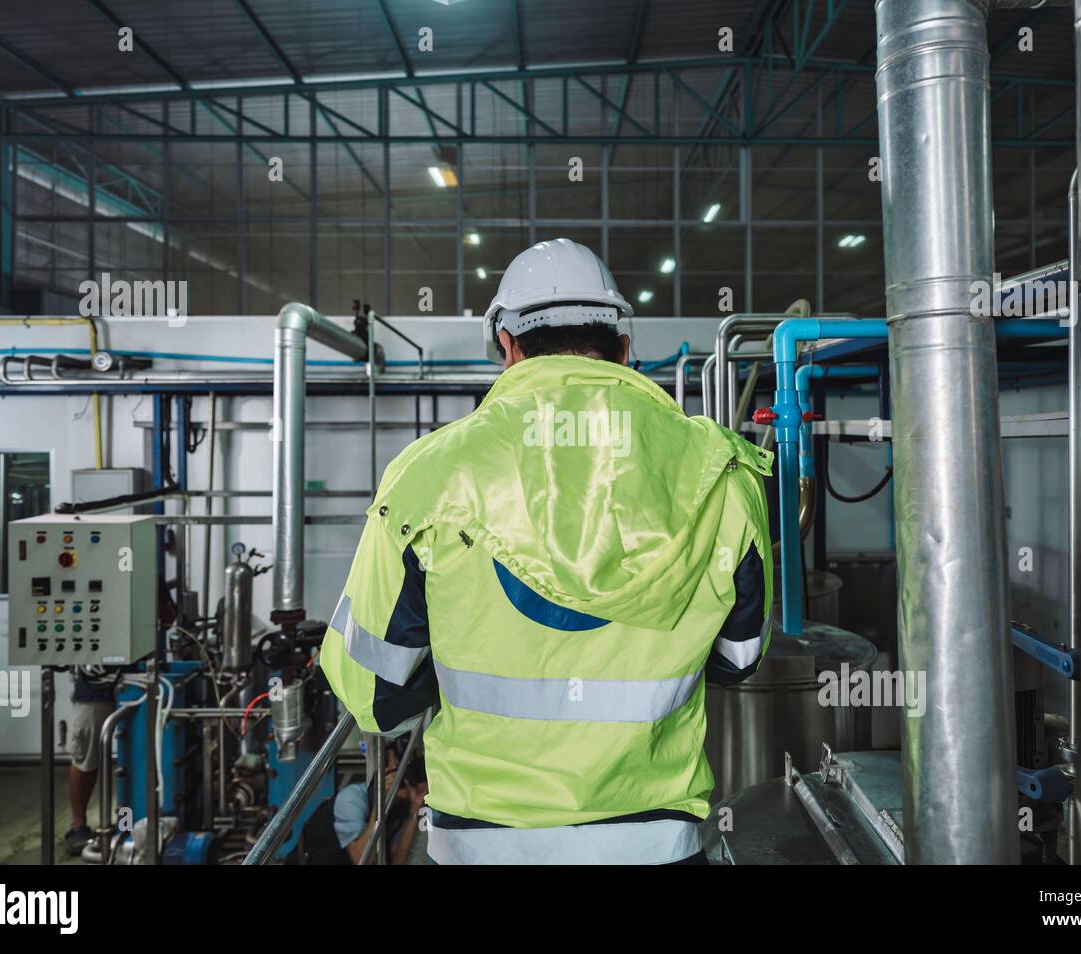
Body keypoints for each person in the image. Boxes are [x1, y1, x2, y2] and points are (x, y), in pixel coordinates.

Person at [320, 238, 773, 864]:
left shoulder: (430, 475)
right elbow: (739, 661)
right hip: (657, 841)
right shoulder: (721, 469)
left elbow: (371, 693)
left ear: (506, 345)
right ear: (623, 347)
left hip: (483, 843)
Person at [298, 747, 428, 865]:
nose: (401, 779)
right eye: (395, 770)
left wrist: (415, 809)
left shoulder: (401, 808)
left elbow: (398, 861)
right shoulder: (352, 799)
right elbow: (361, 859)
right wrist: (381, 804)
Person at [63, 665, 116, 856]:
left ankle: (128, 822)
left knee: (133, 755)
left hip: (140, 678)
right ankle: (78, 825)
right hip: (94, 688)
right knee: (86, 757)